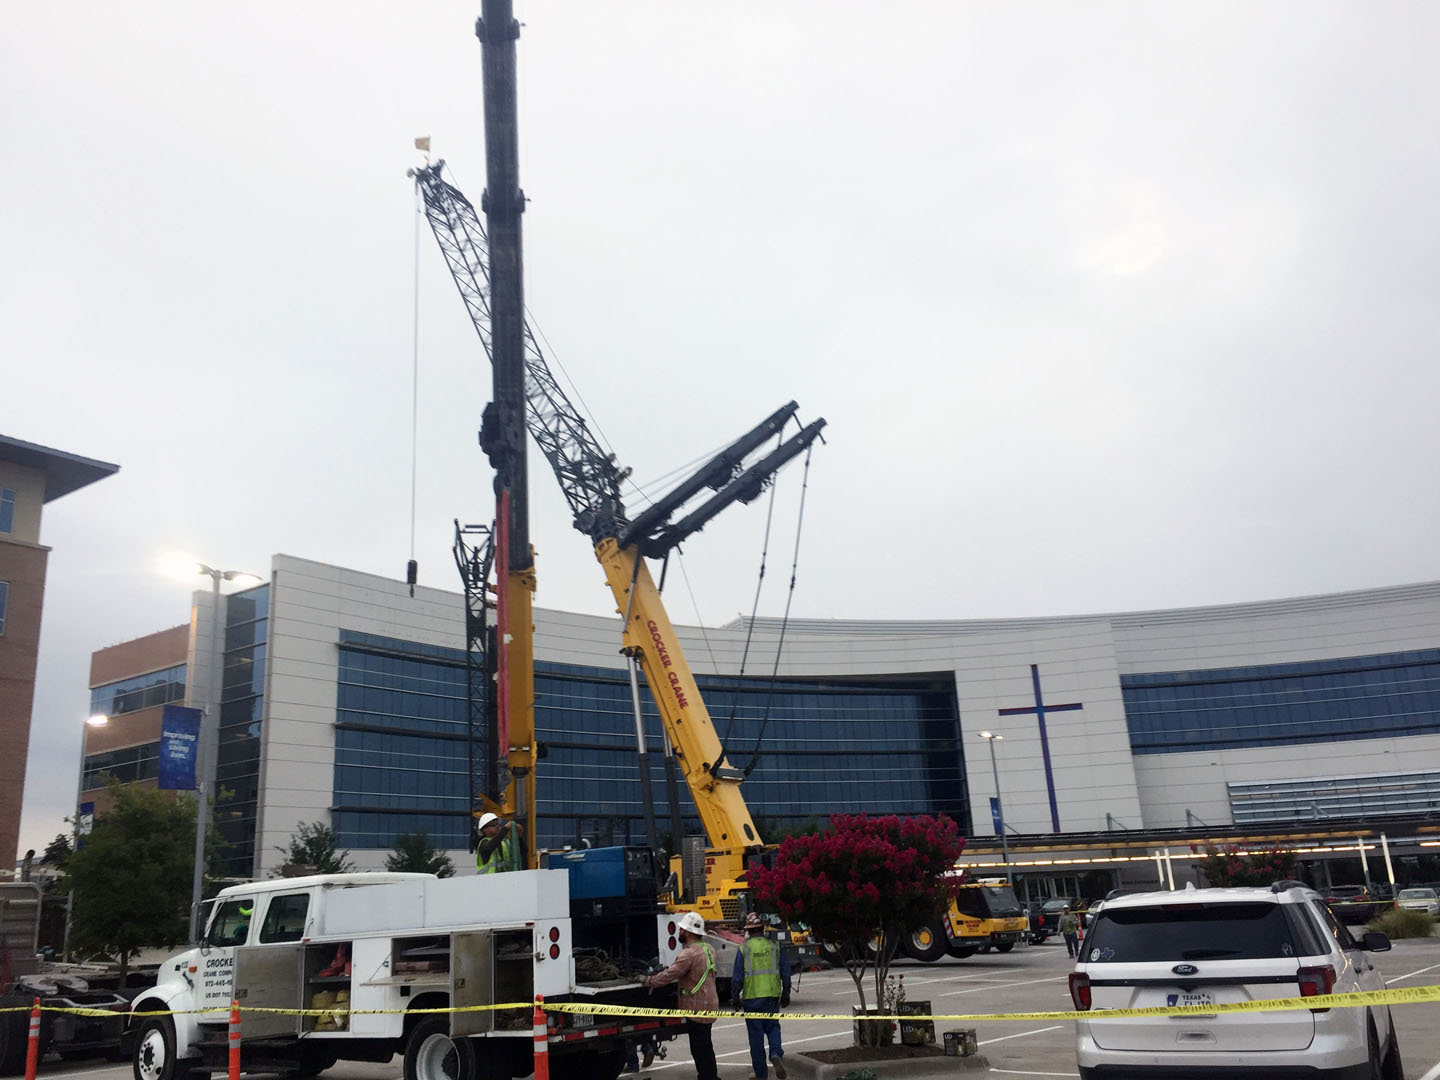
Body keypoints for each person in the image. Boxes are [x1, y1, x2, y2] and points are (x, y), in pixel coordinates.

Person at [642, 911, 718, 1080]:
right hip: (710, 1004)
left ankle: (708, 1077)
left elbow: (670, 975)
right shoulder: (709, 949)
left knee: (699, 1048)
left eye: (682, 929)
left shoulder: (689, 954)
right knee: (706, 1045)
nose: (680, 931)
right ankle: (710, 1075)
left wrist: (647, 980)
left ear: (688, 932)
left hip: (696, 1008)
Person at [731, 912, 790, 1080]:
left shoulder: (744, 949)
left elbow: (737, 978)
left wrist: (735, 997)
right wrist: (786, 992)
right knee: (773, 1028)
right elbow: (785, 972)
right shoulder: (775, 946)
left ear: (748, 931)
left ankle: (761, 1075)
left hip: (752, 998)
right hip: (772, 996)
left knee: (756, 1039)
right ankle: (775, 1053)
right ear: (763, 928)